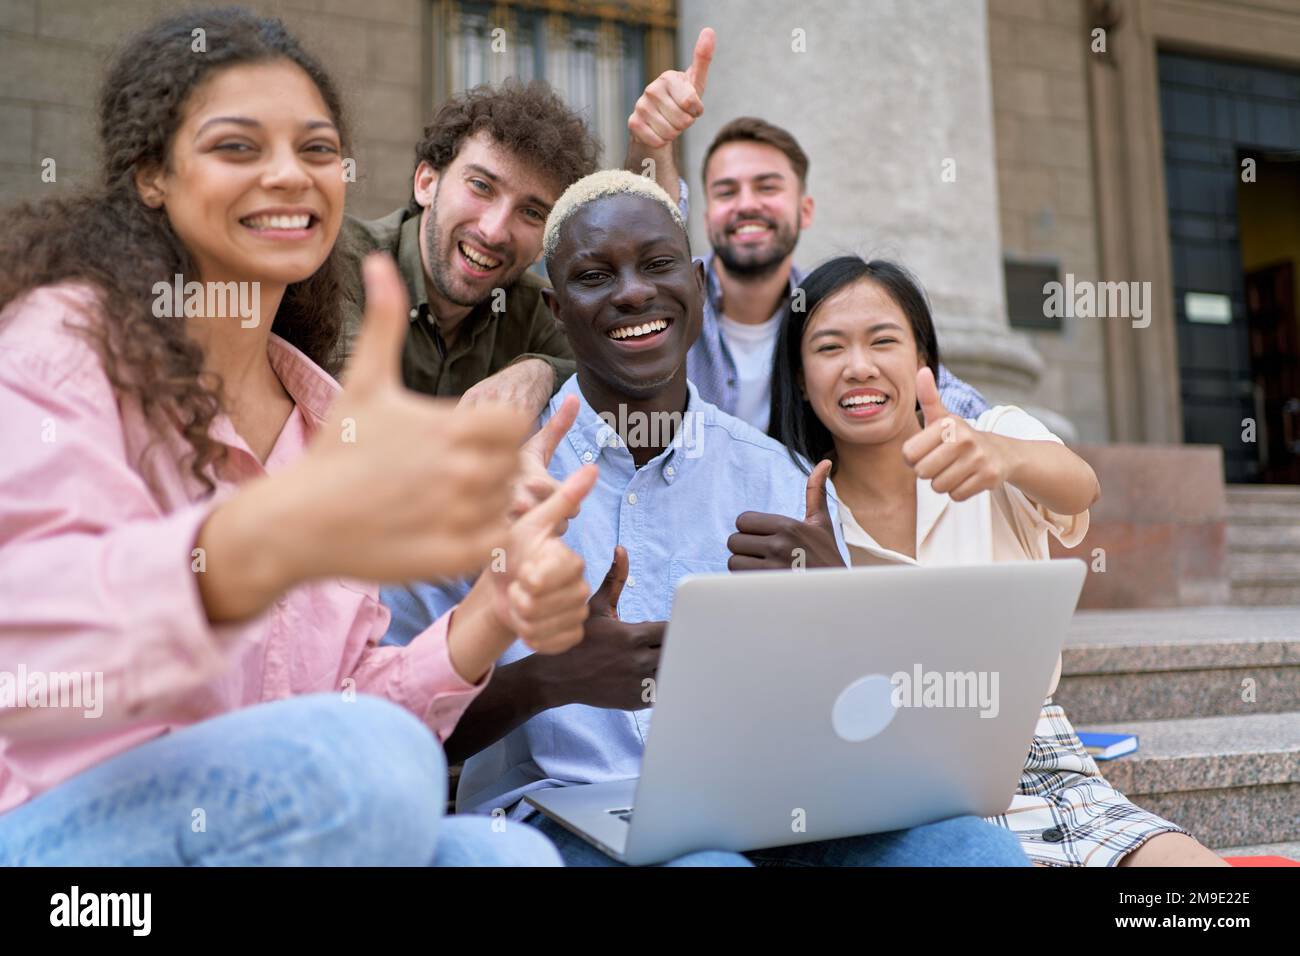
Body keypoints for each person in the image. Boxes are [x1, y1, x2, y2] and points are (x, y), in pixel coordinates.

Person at [0, 7, 594, 866]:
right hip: (60, 837)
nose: (290, 175)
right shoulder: (60, 344)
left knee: (512, 857)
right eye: (238, 147)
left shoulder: (319, 419)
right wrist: (265, 539)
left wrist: (492, 608)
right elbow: (29, 658)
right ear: (150, 175)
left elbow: (347, 707)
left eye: (316, 150)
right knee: (372, 767)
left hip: (263, 825)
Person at [383, 170, 1031, 867]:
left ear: (695, 286)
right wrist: (549, 681)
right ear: (557, 309)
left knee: (974, 851)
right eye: (596, 275)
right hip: (557, 816)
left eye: (659, 265)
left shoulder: (777, 477)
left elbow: (862, 717)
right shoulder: (481, 476)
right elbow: (390, 732)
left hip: (770, 807)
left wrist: (837, 602)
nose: (634, 291)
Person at [734, 254, 1227, 867]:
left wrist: (1001, 454)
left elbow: (1080, 487)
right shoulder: (790, 507)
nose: (859, 368)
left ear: (923, 362)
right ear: (801, 377)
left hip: (1037, 754)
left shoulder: (993, 435)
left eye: (883, 341)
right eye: (829, 348)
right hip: (896, 786)